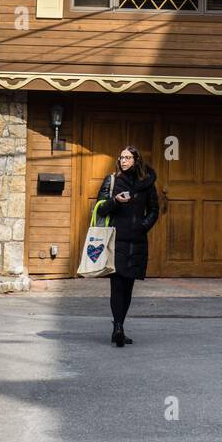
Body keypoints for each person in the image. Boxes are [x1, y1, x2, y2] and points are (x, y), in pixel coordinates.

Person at [95, 145, 159, 346]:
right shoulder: (112, 180)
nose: (123, 161)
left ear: (136, 160)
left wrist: (143, 226)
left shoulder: (147, 183)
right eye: (121, 157)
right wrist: (115, 200)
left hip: (137, 240)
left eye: (128, 157)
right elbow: (100, 209)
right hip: (116, 239)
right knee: (117, 285)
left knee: (129, 286)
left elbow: (154, 210)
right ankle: (118, 328)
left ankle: (119, 326)